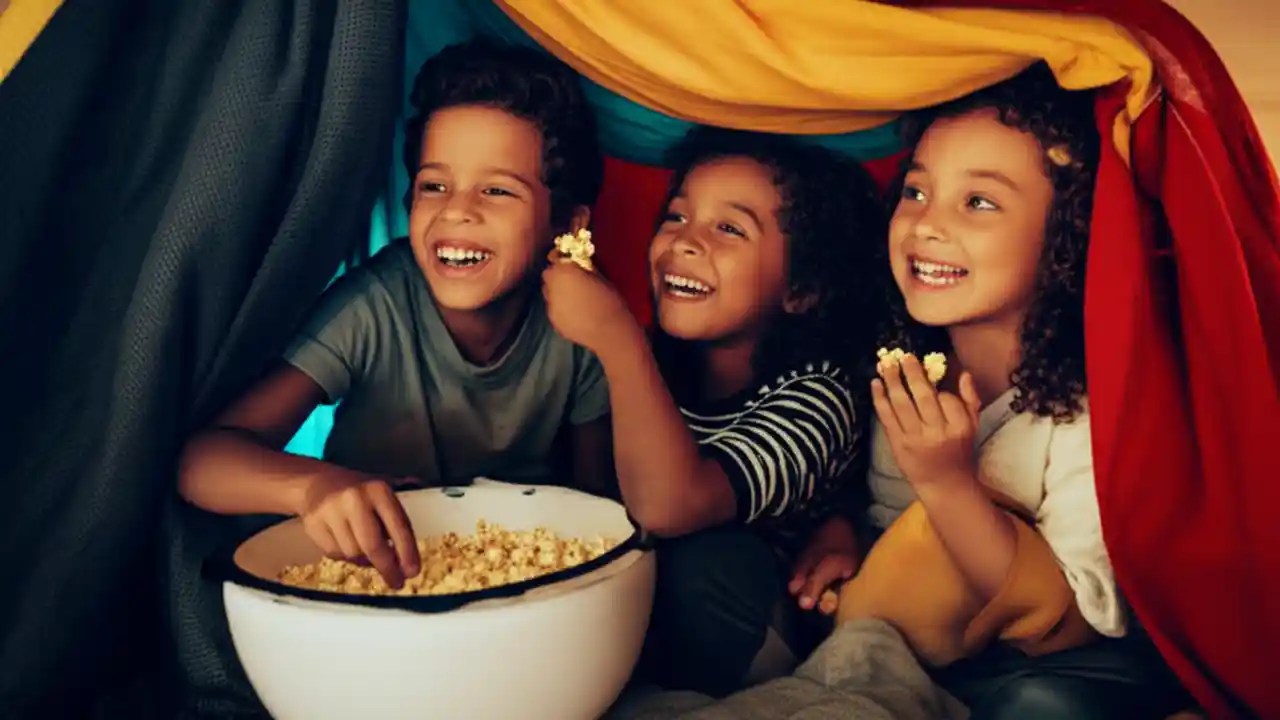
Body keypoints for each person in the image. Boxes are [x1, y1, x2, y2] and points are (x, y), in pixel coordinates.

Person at [793, 64, 1191, 719]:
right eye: (916, 192)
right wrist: (845, 538)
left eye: (978, 202)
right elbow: (897, 540)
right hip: (929, 659)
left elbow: (1074, 623)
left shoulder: (1086, 416)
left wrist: (949, 483)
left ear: (1066, 237)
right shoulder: (913, 376)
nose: (925, 224)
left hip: (1057, 668)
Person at [177, 39, 612, 590]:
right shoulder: (375, 304)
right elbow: (202, 459)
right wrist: (314, 487)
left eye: (497, 190)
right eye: (435, 185)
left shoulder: (583, 326)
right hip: (374, 575)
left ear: (566, 225)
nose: (457, 209)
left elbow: (602, 509)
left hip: (516, 587)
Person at [542, 127, 885, 695]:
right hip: (626, 622)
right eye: (676, 217)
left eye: (729, 228)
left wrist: (615, 334)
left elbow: (667, 507)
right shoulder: (656, 365)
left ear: (801, 289)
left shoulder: (817, 398)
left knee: (705, 560)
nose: (686, 242)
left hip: (753, 637)